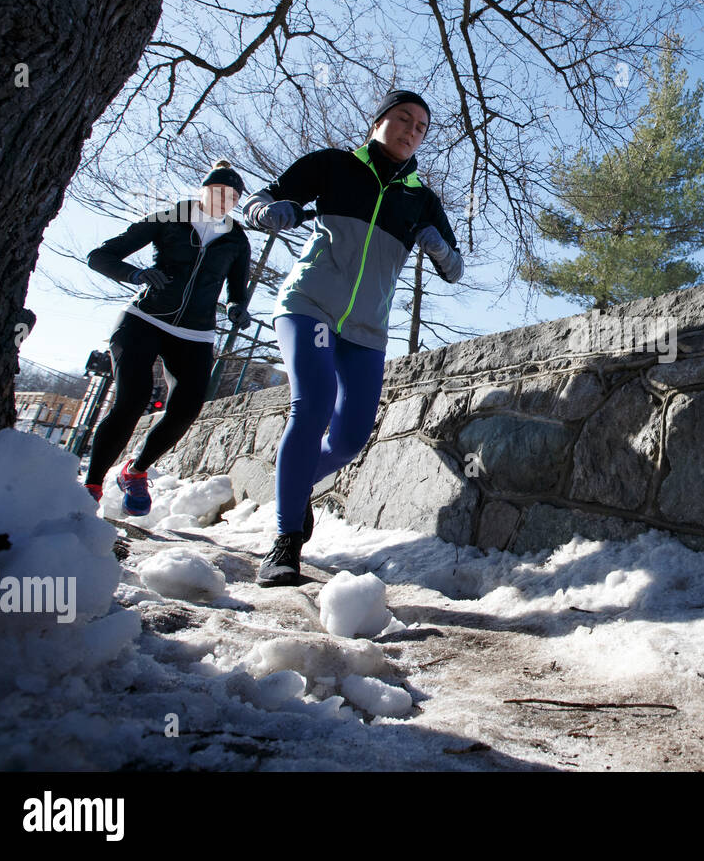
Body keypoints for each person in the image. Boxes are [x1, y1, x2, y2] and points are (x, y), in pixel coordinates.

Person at [241, 90, 464, 586]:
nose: (412, 130)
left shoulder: (420, 199)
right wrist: (268, 212)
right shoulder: (333, 165)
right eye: (404, 118)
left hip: (366, 330)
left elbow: (456, 268)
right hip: (309, 306)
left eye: (422, 127)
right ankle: (285, 542)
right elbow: (259, 199)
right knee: (313, 404)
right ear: (379, 120)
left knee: (348, 440)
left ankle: (294, 493)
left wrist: (438, 247)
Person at [83, 161, 254, 516]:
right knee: (132, 400)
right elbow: (99, 256)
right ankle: (92, 486)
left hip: (194, 332)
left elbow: (238, 289)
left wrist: (238, 308)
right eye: (219, 192)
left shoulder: (237, 239)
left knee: (186, 410)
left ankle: (136, 471)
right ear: (203, 190)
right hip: (143, 320)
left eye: (234, 197)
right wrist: (135, 273)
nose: (225, 200)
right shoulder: (167, 219)